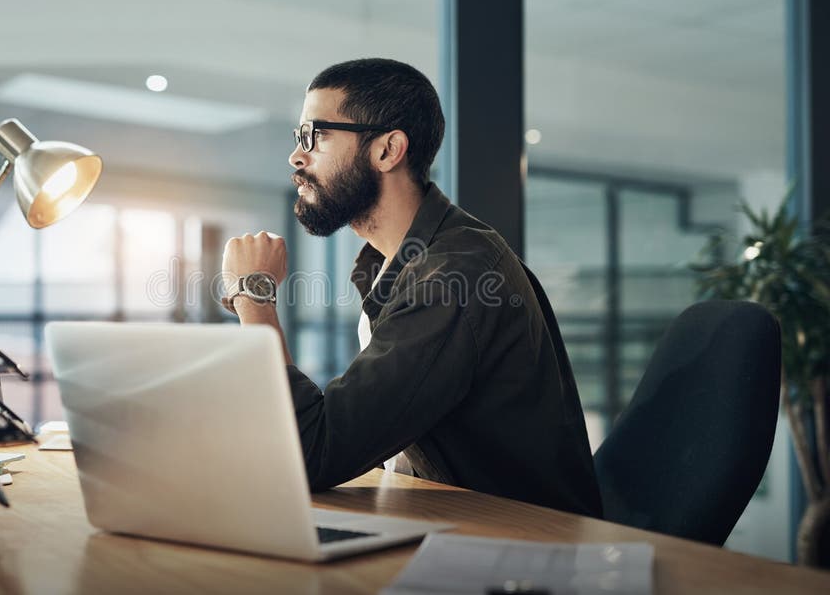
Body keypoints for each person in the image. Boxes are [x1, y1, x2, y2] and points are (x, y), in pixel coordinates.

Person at [220, 58, 602, 517]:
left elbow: (309, 455)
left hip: (520, 544)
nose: (296, 157)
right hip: (447, 517)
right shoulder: (398, 262)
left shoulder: (453, 275)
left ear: (387, 150)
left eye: (314, 136)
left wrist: (253, 293)